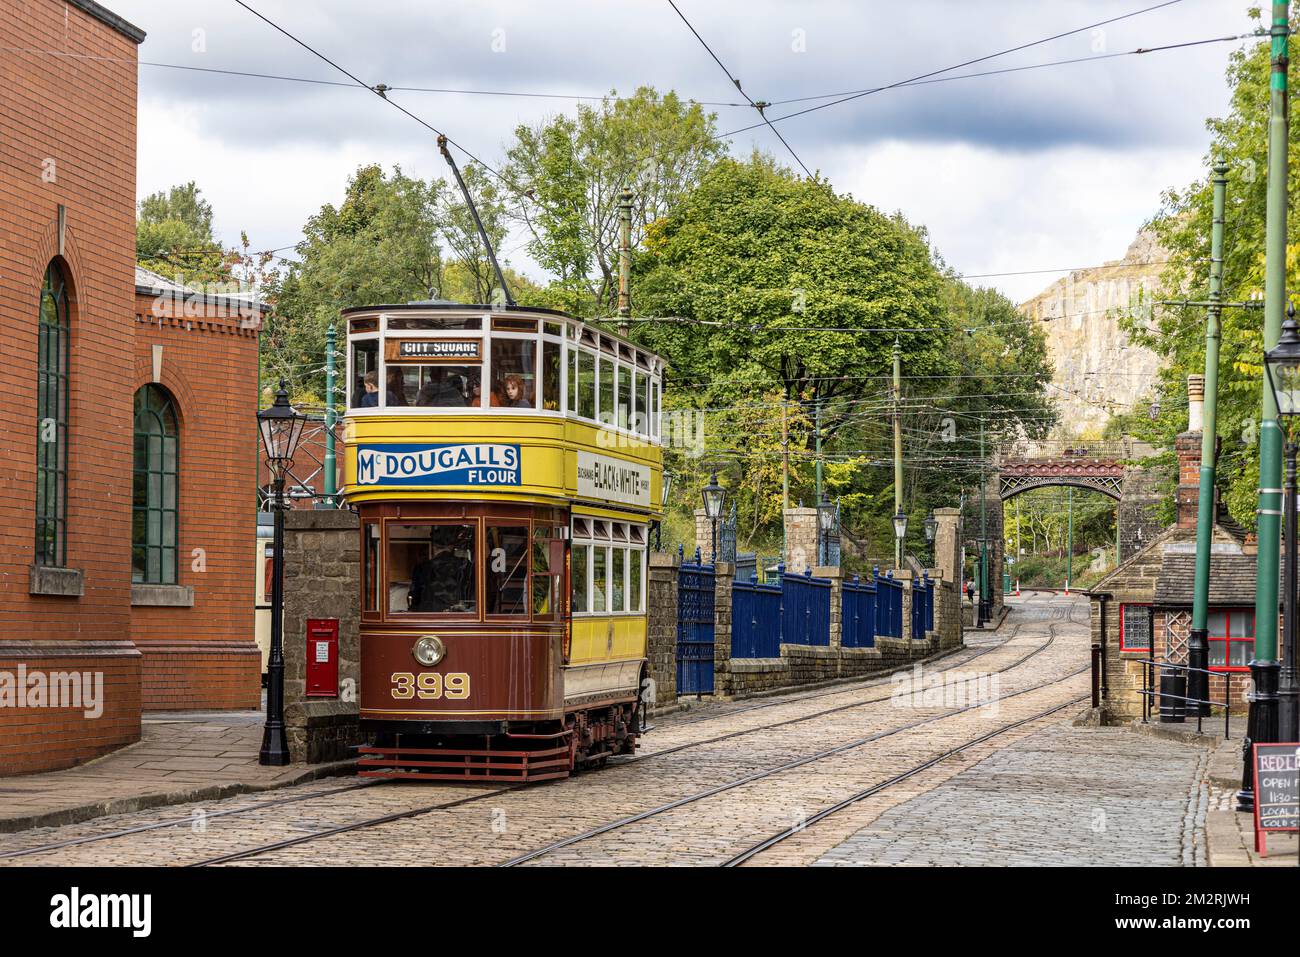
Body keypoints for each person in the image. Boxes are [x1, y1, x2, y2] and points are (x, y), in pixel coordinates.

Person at [408, 528, 472, 613]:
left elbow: (414, 598)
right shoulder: (465, 565)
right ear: (452, 546)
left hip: (428, 618)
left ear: (434, 546)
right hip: (458, 618)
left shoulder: (422, 568)